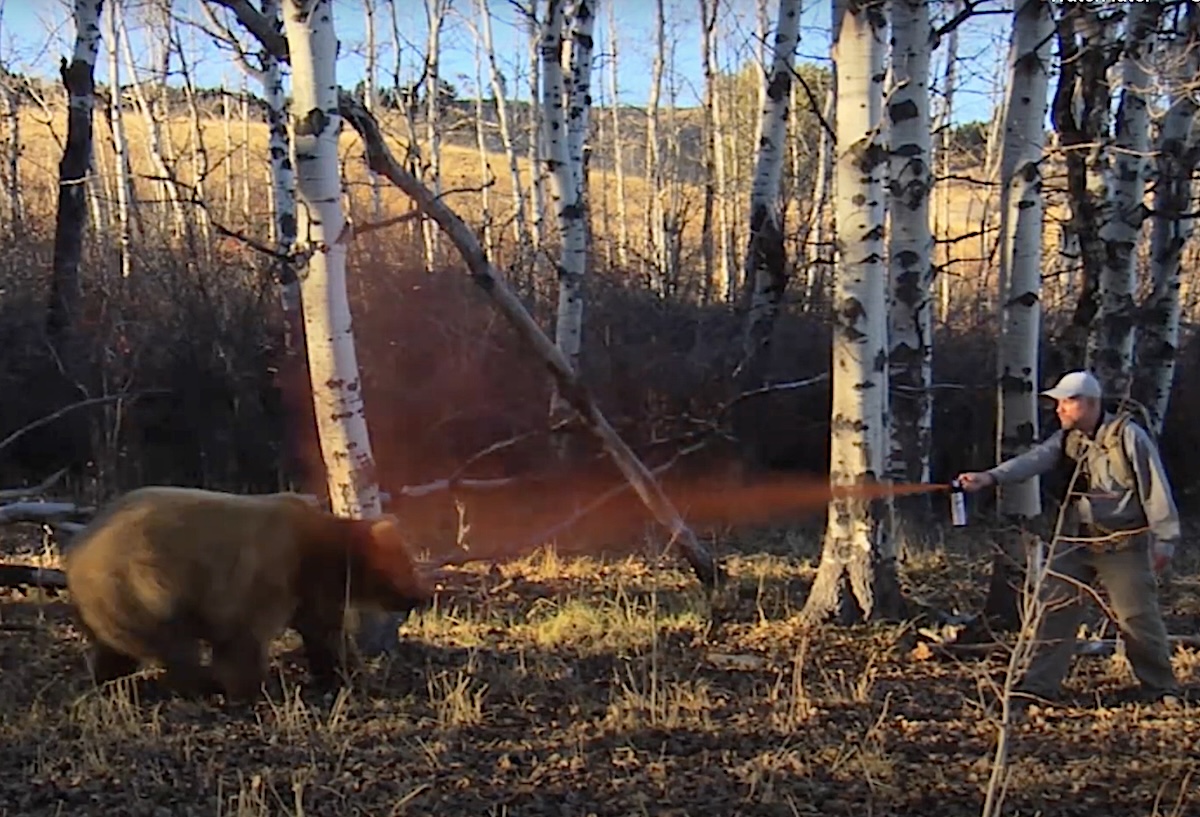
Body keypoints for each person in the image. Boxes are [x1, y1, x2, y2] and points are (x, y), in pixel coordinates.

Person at [956, 369, 1184, 706]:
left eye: (1066, 402)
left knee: (1137, 617)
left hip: (1123, 543)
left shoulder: (1129, 437)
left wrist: (1165, 539)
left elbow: (1155, 488)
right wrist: (989, 478)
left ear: (1090, 403)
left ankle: (1161, 689)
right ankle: (1036, 687)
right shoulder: (1066, 439)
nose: (1059, 409)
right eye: (1058, 403)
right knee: (1053, 610)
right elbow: (1032, 461)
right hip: (1075, 541)